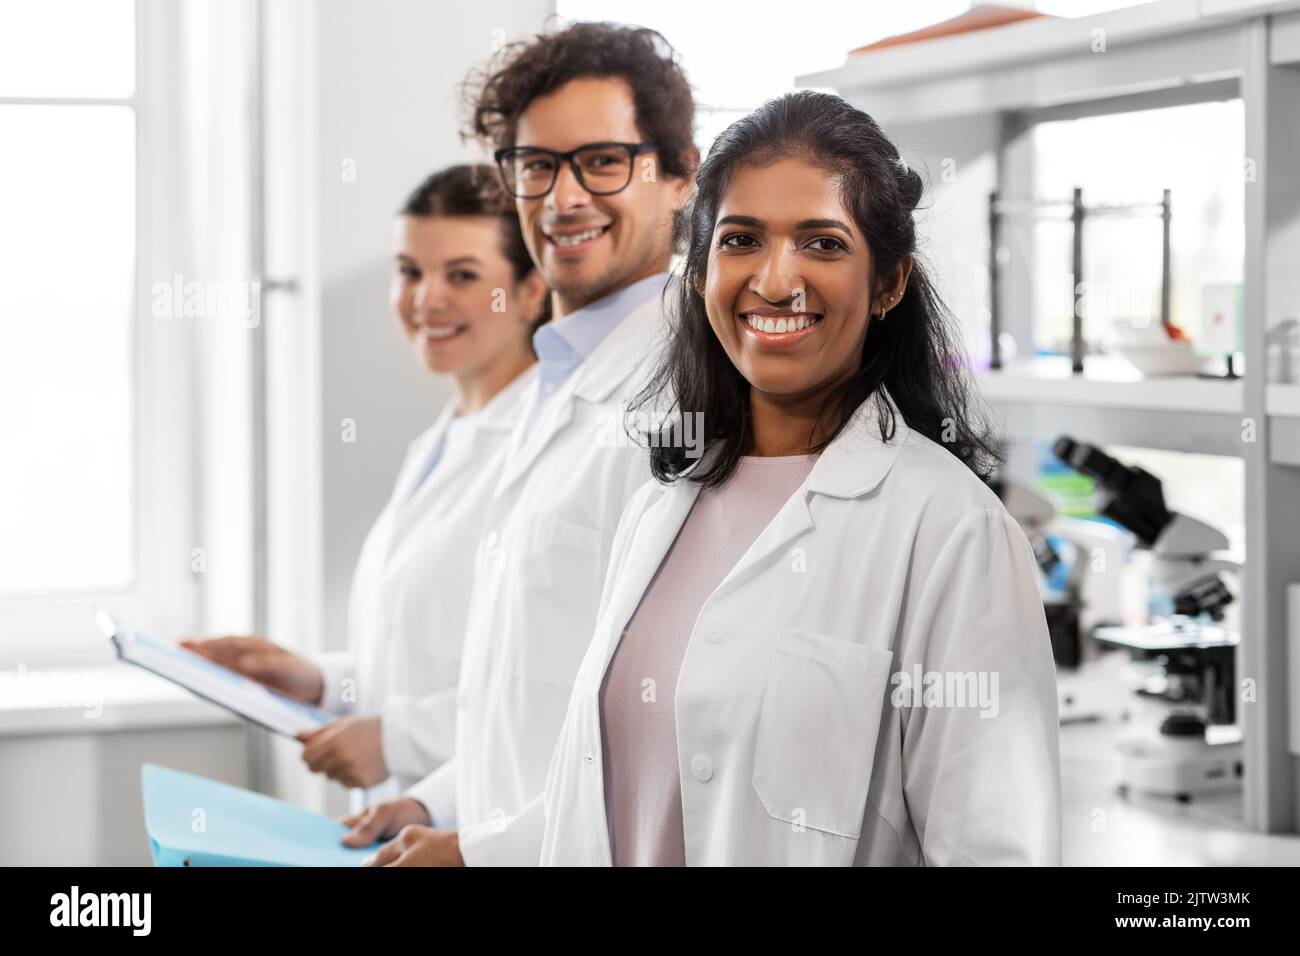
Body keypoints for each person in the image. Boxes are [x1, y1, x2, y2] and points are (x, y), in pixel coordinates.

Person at [540, 91, 1062, 865]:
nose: (777, 279)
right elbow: (617, 802)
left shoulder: (951, 531)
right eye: (742, 239)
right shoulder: (660, 506)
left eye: (821, 243)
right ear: (700, 271)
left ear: (888, 284)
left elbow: (997, 850)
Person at [341, 21, 698, 865]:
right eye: (538, 166)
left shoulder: (684, 398)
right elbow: (522, 695)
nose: (564, 197)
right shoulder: (556, 382)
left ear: (680, 175)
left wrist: (484, 850)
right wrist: (439, 801)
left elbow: (670, 728)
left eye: (603, 161)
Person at [183, 165, 548, 804]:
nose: (426, 299)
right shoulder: (445, 438)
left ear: (529, 291)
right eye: (409, 271)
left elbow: (546, 690)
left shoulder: (541, 451)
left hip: (471, 821)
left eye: (462, 275)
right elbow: (420, 660)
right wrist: (316, 679)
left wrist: (397, 742)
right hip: (397, 823)